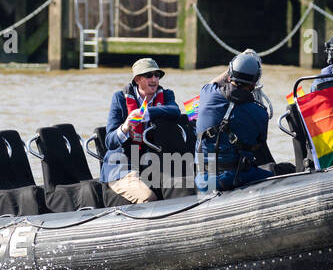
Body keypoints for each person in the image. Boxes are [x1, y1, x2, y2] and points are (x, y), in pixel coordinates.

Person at [102, 57, 183, 203]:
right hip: (121, 167)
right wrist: (126, 126)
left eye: (157, 75)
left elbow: (175, 111)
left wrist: (147, 113)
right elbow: (109, 142)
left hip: (152, 162)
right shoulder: (119, 98)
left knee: (183, 186)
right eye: (149, 75)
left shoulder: (167, 95)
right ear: (138, 79)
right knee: (148, 198)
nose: (154, 79)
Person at [194, 49, 273, 193]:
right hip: (232, 179)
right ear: (254, 84)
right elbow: (259, 145)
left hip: (203, 179)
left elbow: (213, 83)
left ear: (229, 76)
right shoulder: (260, 113)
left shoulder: (207, 94)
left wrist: (234, 66)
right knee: (277, 174)